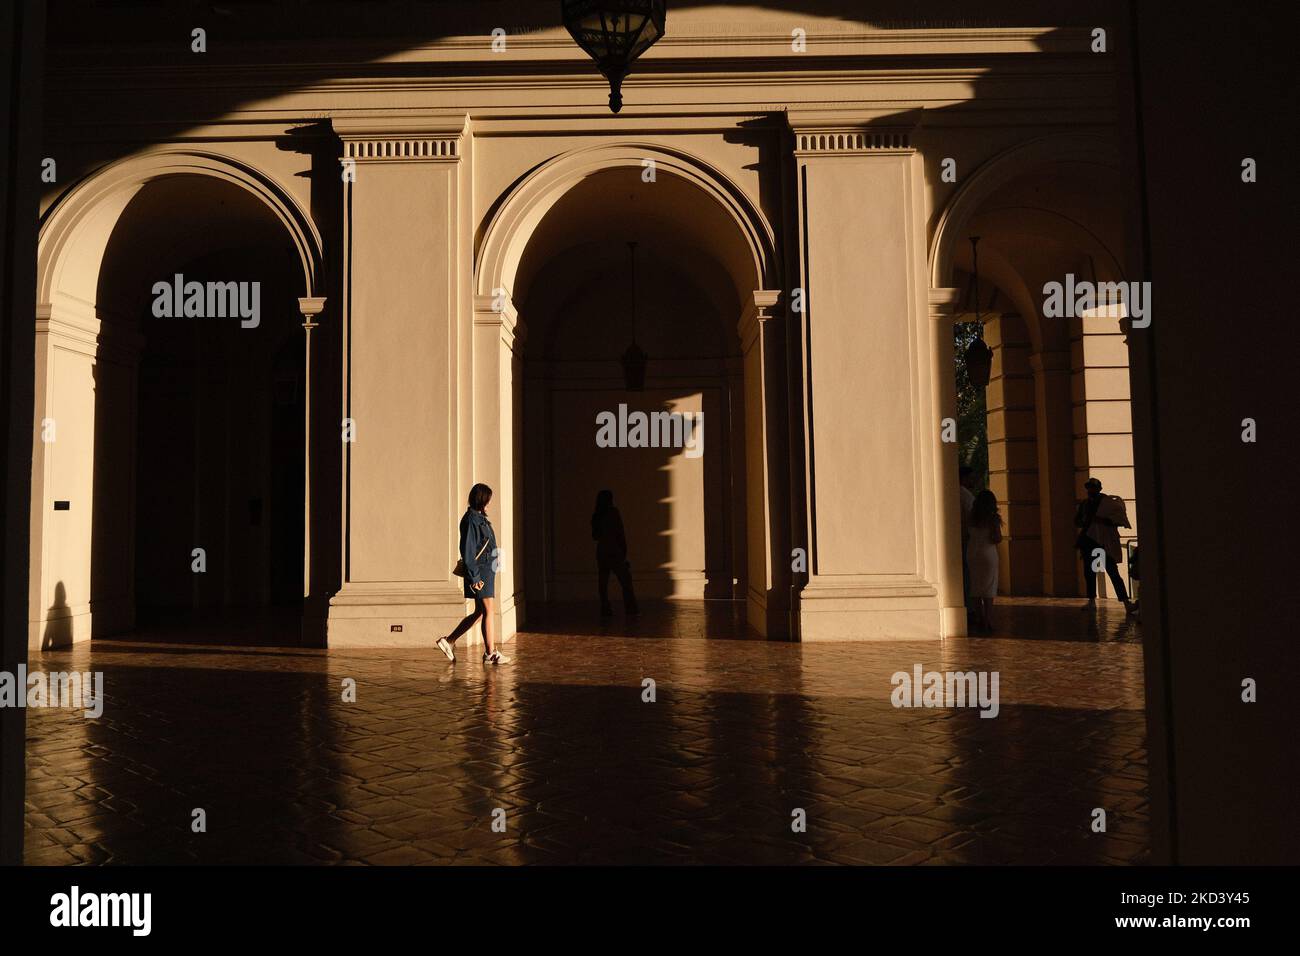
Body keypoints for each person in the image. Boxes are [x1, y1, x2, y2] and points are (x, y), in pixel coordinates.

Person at [437, 483, 512, 664]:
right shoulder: (471, 520)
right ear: (481, 499)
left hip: (486, 570)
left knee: (480, 612)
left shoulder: (479, 518)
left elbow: (488, 544)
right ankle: (490, 653)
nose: (489, 503)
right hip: (480, 572)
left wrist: (496, 562)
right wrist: (475, 577)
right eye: (487, 500)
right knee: (488, 610)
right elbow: (468, 551)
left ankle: (449, 641)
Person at [1074, 477, 1134, 613]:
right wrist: (1084, 521)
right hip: (1090, 543)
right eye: (1089, 488)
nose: (1090, 490)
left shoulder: (1108, 503)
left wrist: (1102, 520)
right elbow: (1077, 521)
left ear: (1099, 489)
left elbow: (1118, 521)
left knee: (1112, 572)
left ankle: (1125, 602)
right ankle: (1092, 601)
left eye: (1093, 488)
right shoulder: (1085, 504)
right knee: (1090, 572)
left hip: (1104, 544)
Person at [591, 489, 638, 616]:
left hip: (601, 550)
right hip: (614, 549)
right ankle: (631, 608)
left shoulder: (596, 515)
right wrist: (623, 551)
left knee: (603, 582)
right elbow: (620, 532)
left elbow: (595, 536)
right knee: (625, 580)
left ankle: (605, 609)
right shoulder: (613, 512)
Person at [966, 489, 1003, 633]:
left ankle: (981, 618)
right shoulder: (993, 519)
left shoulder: (971, 517)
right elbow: (997, 538)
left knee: (975, 587)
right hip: (988, 553)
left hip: (972, 552)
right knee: (989, 588)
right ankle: (987, 621)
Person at [958, 466, 977, 611]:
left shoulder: (954, 492)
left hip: (959, 538)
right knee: (967, 574)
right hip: (965, 539)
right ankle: (968, 607)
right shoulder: (966, 496)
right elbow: (972, 518)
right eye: (971, 477)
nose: (974, 480)